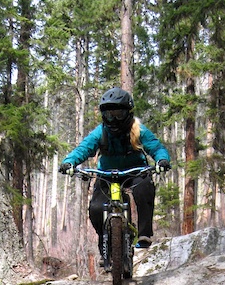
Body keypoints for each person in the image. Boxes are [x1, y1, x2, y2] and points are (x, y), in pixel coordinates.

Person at [59, 87, 171, 256]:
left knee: (144, 188)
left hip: (135, 172)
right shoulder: (101, 132)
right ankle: (106, 243)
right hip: (107, 174)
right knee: (96, 209)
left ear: (127, 113)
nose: (113, 118)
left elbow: (156, 147)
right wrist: (69, 162)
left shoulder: (138, 129)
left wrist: (162, 160)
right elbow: (83, 148)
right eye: (109, 114)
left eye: (118, 113)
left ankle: (144, 235)